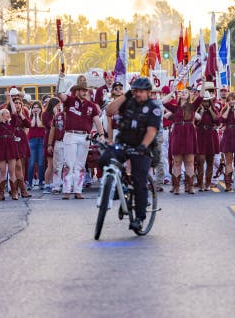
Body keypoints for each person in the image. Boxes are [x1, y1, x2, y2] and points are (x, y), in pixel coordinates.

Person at [104, 77, 161, 232]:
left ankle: (140, 218)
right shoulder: (129, 101)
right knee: (104, 158)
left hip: (143, 148)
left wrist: (143, 146)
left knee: (139, 181)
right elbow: (109, 111)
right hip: (123, 143)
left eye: (141, 91)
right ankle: (117, 187)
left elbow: (152, 131)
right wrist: (127, 95)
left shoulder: (153, 108)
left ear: (149, 93)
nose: (138, 94)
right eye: (136, 91)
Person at [56, 76, 104, 200]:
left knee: (80, 165)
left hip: (84, 136)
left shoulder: (91, 106)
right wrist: (60, 79)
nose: (84, 92)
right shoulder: (70, 100)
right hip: (70, 134)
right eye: (82, 90)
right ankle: (66, 190)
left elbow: (97, 121)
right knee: (69, 164)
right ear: (77, 91)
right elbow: (59, 94)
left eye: (85, 90)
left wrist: (102, 134)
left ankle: (78, 190)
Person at [163, 88, 201, 194]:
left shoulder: (192, 106)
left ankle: (190, 186)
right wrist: (172, 92)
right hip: (177, 134)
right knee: (177, 162)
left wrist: (202, 84)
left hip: (189, 134)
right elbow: (164, 102)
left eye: (186, 92)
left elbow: (201, 97)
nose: (183, 93)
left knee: (189, 162)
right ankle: (176, 187)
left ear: (189, 95)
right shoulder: (175, 108)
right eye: (181, 92)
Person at [0, 98, 25, 201]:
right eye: (6, 113)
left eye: (8, 112)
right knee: (2, 171)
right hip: (2, 147)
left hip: (11, 146)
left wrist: (10, 98)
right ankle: (1, 193)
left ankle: (14, 192)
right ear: (2, 115)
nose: (8, 114)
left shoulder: (12, 123)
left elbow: (15, 112)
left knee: (12, 171)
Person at [195, 91, 219, 192]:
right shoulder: (197, 110)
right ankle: (200, 183)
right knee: (200, 161)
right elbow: (196, 121)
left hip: (211, 136)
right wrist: (200, 111)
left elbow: (217, 120)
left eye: (207, 101)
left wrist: (210, 110)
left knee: (210, 161)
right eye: (203, 101)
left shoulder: (213, 109)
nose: (205, 103)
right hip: (200, 135)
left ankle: (208, 183)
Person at [27, 100, 48, 191]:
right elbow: (31, 125)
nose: (35, 109)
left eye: (37, 107)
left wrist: (38, 115)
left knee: (40, 163)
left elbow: (39, 125)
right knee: (31, 163)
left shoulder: (43, 116)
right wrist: (34, 115)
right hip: (32, 141)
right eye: (34, 107)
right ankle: (30, 183)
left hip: (41, 141)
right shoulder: (29, 117)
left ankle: (41, 182)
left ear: (40, 108)